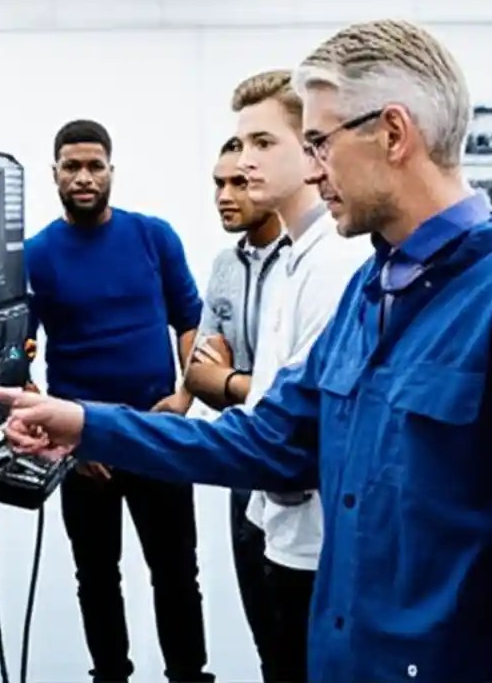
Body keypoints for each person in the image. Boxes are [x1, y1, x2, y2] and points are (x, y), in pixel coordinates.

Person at [0, 21, 492, 682]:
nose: (309, 167)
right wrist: (85, 424)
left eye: (318, 143)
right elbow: (268, 441)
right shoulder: (374, 289)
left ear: (393, 133)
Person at [189, 69, 369, 682]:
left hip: (314, 535)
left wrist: (100, 429)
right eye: (240, 145)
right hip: (276, 518)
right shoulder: (291, 259)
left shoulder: (337, 264)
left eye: (264, 144)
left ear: (313, 148)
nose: (246, 162)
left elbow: (290, 427)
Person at [24, 119, 214, 683]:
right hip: (85, 448)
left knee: (177, 571)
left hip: (157, 438)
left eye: (94, 166)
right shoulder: (36, 255)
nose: (84, 178)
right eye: (72, 167)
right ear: (54, 173)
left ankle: (188, 674)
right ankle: (110, 675)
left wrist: (186, 394)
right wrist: (61, 437)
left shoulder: (153, 237)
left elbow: (191, 320)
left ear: (111, 170)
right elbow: (17, 357)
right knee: (97, 576)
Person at [184, 133, 289, 679]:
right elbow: (196, 372)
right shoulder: (226, 264)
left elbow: (301, 389)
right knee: (266, 637)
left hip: (296, 469)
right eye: (218, 184)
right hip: (241, 466)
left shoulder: (305, 263)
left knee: (301, 639)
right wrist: (225, 382)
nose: (225, 195)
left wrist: (228, 380)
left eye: (239, 183)